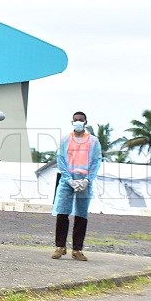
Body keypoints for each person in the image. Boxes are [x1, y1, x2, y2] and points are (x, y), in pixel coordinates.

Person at [51, 111, 101, 261]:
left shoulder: (93, 141)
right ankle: (60, 246)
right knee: (62, 212)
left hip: (84, 180)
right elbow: (60, 159)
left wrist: (87, 180)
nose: (78, 122)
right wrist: (69, 179)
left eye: (81, 120)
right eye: (76, 120)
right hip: (68, 180)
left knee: (81, 214)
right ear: (72, 122)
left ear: (86, 122)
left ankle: (77, 249)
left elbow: (96, 161)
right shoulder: (65, 139)